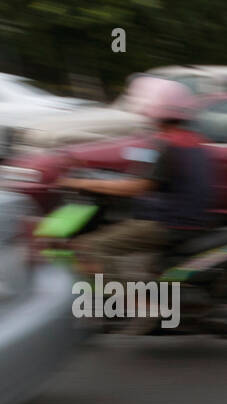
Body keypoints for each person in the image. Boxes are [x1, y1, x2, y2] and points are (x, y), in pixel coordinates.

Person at [59, 75, 215, 332]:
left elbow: (137, 186)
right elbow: (148, 177)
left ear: (156, 110)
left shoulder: (164, 145)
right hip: (191, 217)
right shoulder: (196, 141)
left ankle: (136, 305)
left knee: (90, 246)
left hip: (166, 223)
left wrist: (81, 183)